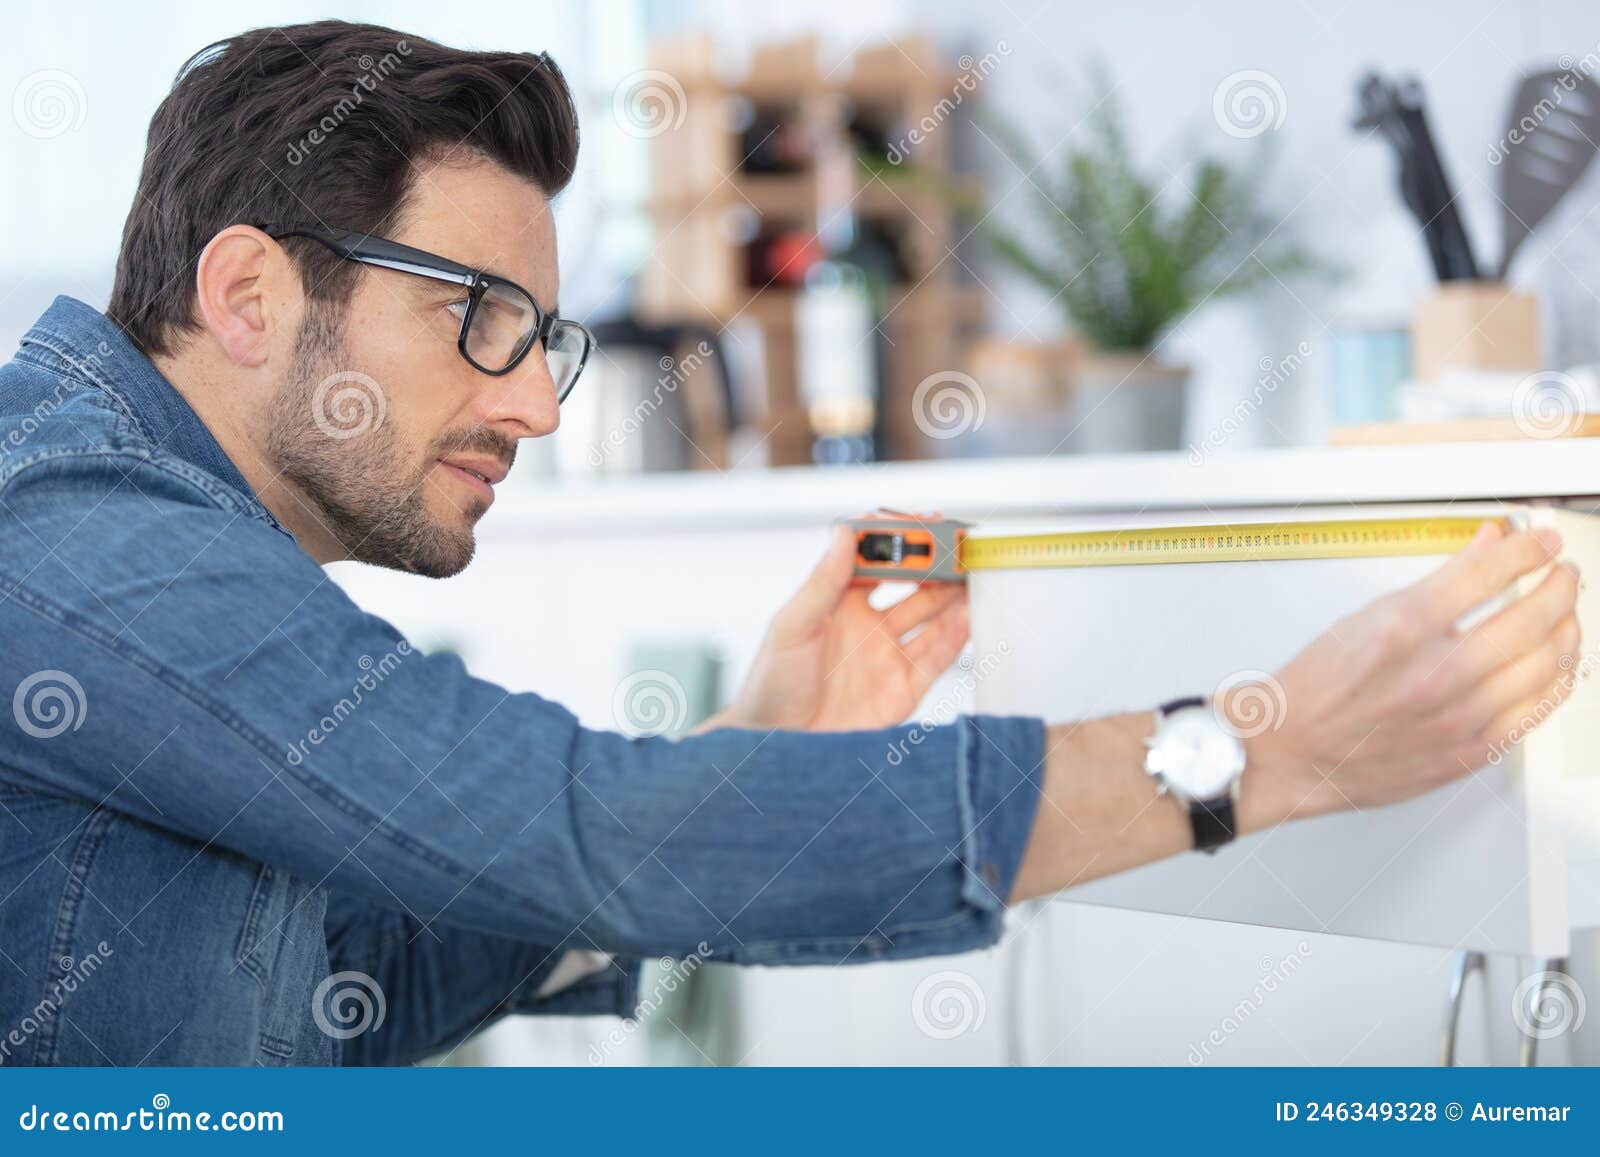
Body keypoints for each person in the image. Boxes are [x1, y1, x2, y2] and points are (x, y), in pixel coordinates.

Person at [0, 20, 1580, 1066]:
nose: (537, 407)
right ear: (250, 295)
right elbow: (568, 821)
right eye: (476, 316)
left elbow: (356, 991)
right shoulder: (65, 539)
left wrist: (752, 746)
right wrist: (1254, 759)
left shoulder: (156, 566)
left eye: (537, 336)